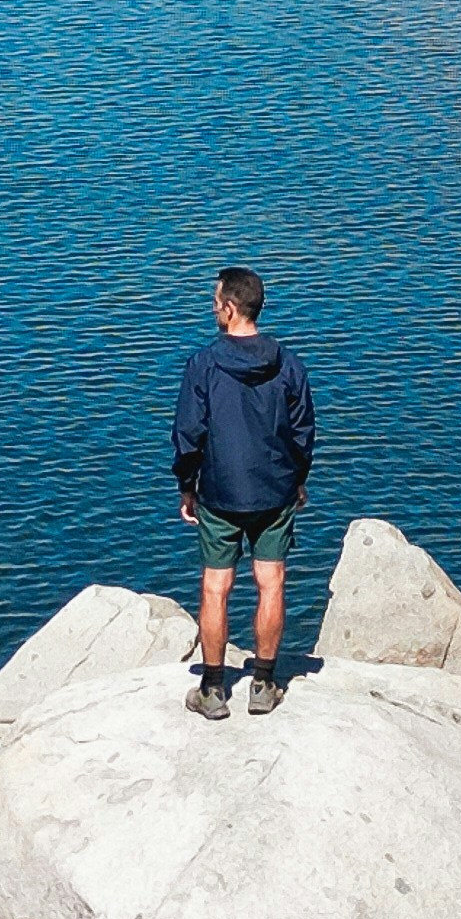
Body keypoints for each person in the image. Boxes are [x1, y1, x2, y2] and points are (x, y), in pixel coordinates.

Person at [172, 265, 315, 718]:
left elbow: (188, 432)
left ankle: (213, 691)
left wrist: (187, 486)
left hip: (219, 492)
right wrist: (297, 480)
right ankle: (264, 684)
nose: (213, 307)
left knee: (217, 586)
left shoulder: (204, 363)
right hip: (274, 490)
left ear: (231, 308)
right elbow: (303, 431)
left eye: (215, 301)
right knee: (271, 582)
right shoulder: (287, 362)